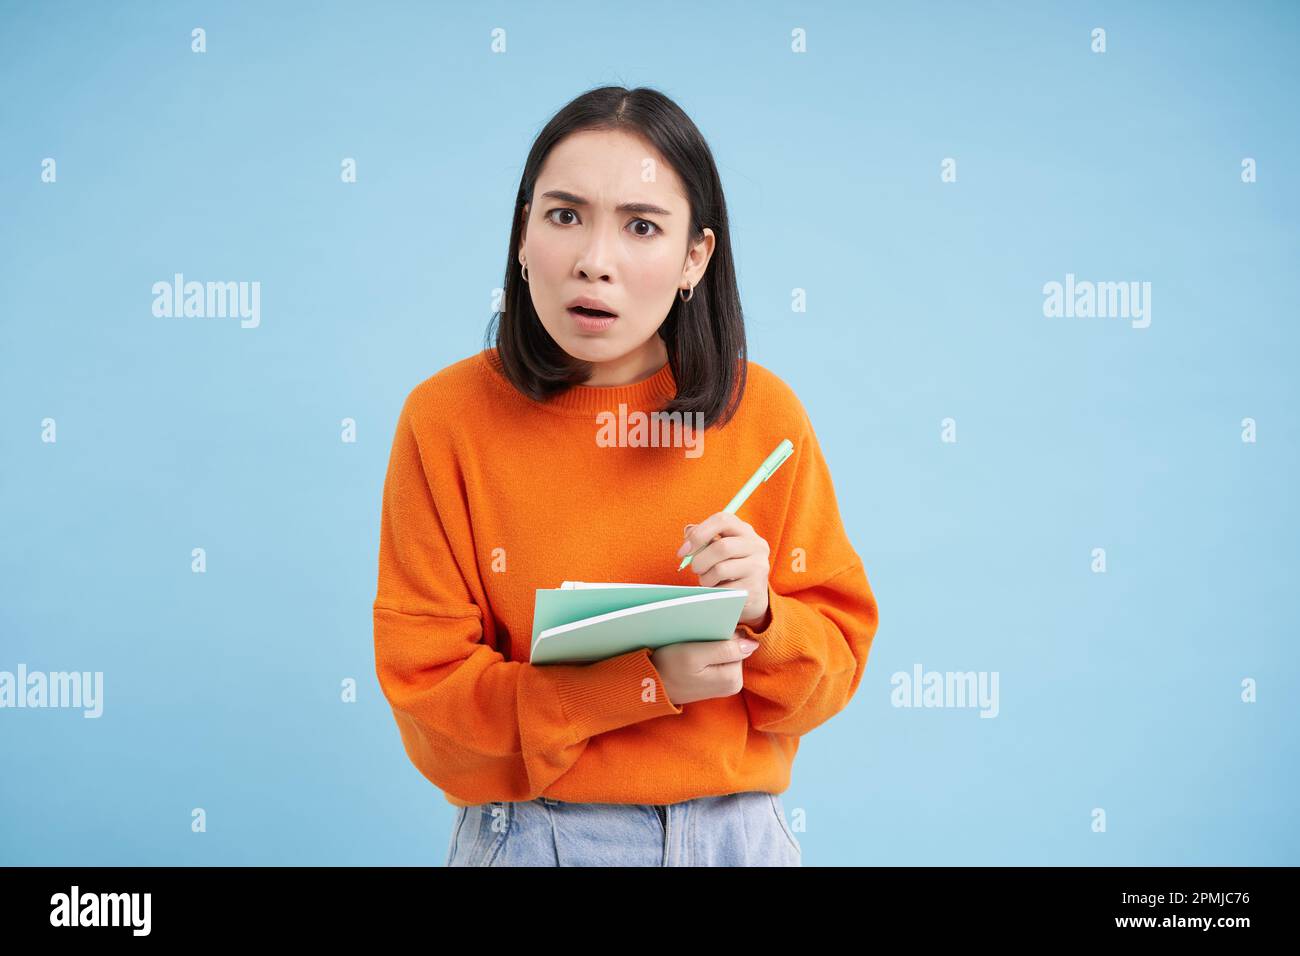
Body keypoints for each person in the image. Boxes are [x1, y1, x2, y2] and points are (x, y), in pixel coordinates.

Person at [372, 85, 879, 866]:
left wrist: (764, 611)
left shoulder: (765, 415)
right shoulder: (445, 422)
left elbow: (832, 676)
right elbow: (434, 713)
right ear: (521, 236)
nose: (592, 261)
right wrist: (641, 683)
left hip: (735, 840)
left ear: (694, 259)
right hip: (536, 836)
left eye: (641, 226)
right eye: (564, 215)